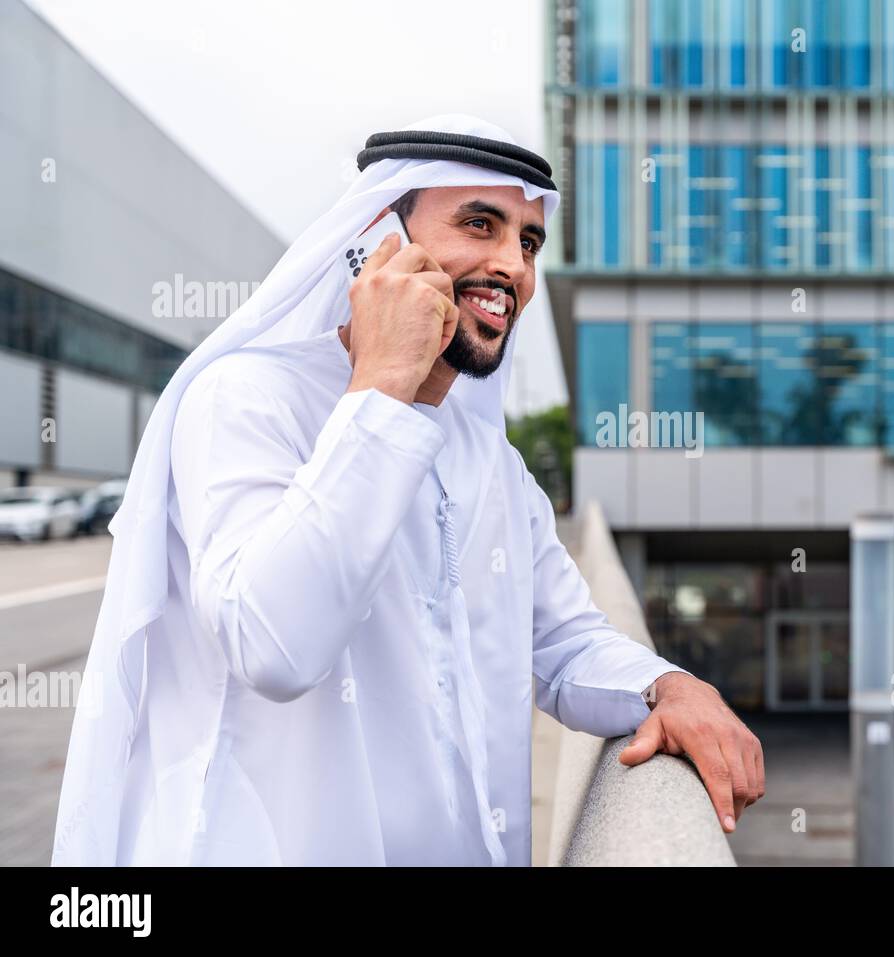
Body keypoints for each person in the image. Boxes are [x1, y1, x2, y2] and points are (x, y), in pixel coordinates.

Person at [51, 114, 764, 866]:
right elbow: (273, 645)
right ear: (375, 240)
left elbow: (563, 640)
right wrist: (384, 390)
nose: (514, 267)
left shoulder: (493, 462)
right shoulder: (247, 399)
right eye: (479, 224)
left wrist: (668, 684)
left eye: (526, 241)